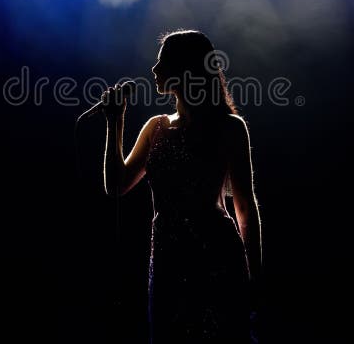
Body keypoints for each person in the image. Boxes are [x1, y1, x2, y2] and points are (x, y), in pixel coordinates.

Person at [101, 29, 262, 343]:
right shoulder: (156, 128)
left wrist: (255, 275)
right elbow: (116, 185)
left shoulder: (230, 128)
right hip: (168, 261)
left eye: (162, 62)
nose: (154, 69)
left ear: (186, 69)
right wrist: (114, 121)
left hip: (216, 258)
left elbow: (245, 206)